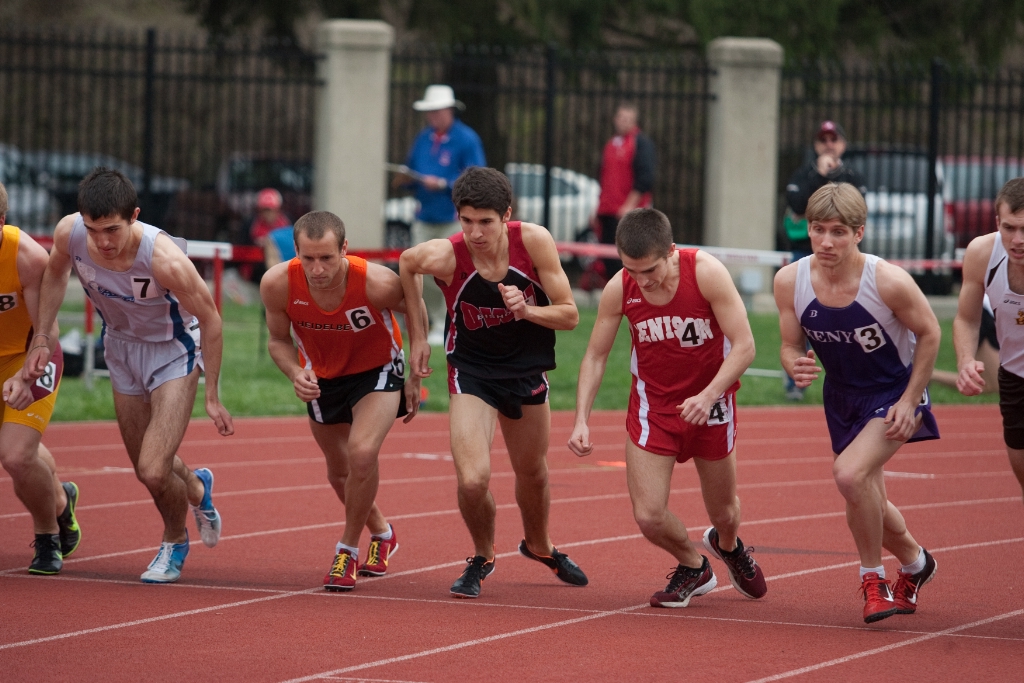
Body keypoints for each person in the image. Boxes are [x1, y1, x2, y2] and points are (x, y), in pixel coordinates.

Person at [23, 168, 234, 584]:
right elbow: (54, 273)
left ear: (135, 215)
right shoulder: (70, 233)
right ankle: (196, 486)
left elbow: (211, 319)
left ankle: (174, 541)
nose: (102, 241)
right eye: (93, 228)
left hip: (173, 351)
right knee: (144, 465)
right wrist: (42, 337)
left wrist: (212, 393)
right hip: (119, 349)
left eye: (113, 230)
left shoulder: (164, 258)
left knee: (154, 469)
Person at [399, 166, 588, 598]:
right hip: (472, 370)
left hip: (525, 369)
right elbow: (406, 264)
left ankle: (539, 545)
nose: (476, 233)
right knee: (472, 479)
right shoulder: (447, 256)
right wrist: (417, 336)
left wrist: (527, 311)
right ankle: (482, 556)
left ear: (506, 215)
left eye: (485, 222)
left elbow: (571, 314)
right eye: (466, 221)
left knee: (533, 472)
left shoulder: (533, 241)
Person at [568, 207, 767, 608]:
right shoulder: (619, 287)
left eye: (651, 270)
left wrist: (709, 394)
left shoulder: (706, 273)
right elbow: (594, 356)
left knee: (725, 514)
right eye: (631, 270)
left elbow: (745, 345)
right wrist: (580, 420)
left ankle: (727, 546)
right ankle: (694, 566)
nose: (642, 281)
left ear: (671, 251)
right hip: (653, 408)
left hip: (712, 406)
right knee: (648, 516)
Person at [774, 182, 940, 624]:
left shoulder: (886, 281)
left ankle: (873, 579)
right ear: (805, 229)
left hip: (893, 391)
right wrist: (795, 364)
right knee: (863, 492)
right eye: (817, 230)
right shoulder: (790, 281)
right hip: (841, 395)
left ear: (859, 233)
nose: (826, 242)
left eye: (838, 232)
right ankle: (916, 562)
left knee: (849, 475)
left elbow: (930, 332)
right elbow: (790, 346)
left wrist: (909, 401)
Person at [260, 210, 423, 591]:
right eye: (308, 258)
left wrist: (414, 373)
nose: (317, 269)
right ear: (295, 252)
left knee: (362, 453)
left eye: (327, 258)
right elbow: (279, 340)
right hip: (323, 376)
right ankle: (382, 534)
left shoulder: (377, 283)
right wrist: (294, 372)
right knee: (339, 473)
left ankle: (346, 551)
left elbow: (416, 312)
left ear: (345, 249)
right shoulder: (278, 284)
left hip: (377, 370)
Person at [0, 194, 81, 575]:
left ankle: (48, 534)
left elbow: (46, 331)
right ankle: (62, 501)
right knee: (22, 449)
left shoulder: (27, 257)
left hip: (30, 355)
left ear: (1, 220)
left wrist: (23, 376)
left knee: (15, 456)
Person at [394, 84, 486, 346]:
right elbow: (412, 169)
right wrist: (406, 180)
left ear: (448, 110)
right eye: (429, 111)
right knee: (419, 271)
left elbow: (476, 177)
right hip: (425, 215)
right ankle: (435, 320)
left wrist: (445, 184)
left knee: (452, 271)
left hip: (453, 217)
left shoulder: (467, 139)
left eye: (436, 111)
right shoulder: (423, 138)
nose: (432, 116)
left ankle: (452, 321)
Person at [782, 120, 867, 401]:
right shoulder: (804, 174)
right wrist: (819, 175)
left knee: (850, 317)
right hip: (802, 255)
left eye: (834, 139)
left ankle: (857, 379)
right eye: (823, 139)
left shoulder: (853, 177)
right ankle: (796, 382)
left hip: (847, 262)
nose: (829, 144)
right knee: (800, 319)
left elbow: (860, 210)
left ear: (843, 144)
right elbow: (797, 205)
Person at [953, 177, 1024, 499]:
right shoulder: (982, 253)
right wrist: (966, 359)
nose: (1018, 240)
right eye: (1009, 228)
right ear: (997, 221)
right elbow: (967, 318)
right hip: (1014, 375)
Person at [595, 103, 656, 279]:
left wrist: (629, 206)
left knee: (627, 258)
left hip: (626, 214)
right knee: (608, 259)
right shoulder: (611, 144)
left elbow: (645, 179)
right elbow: (604, 178)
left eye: (628, 119)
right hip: (607, 211)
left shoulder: (641, 144)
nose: (624, 122)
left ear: (634, 121)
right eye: (621, 118)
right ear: (615, 119)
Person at [930, 295, 998, 394]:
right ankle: (929, 375)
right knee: (990, 384)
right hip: (988, 312)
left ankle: (929, 375)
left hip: (1008, 314)